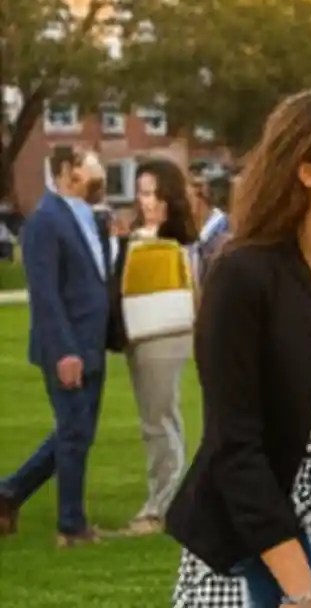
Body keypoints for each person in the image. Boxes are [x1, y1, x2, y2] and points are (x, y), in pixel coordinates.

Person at [166, 88, 311, 607]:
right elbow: (235, 447)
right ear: (308, 170)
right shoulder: (243, 276)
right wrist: (303, 591)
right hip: (253, 532)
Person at [0, 146, 110, 547]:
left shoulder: (92, 219)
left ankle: (9, 493)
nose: (100, 170)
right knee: (74, 433)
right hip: (67, 349)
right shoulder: (45, 221)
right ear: (68, 171)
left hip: (93, 346)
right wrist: (65, 351)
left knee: (75, 433)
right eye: (91, 163)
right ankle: (71, 526)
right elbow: (46, 295)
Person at [114, 158, 200, 536]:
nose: (146, 201)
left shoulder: (175, 242)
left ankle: (161, 506)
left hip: (164, 333)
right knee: (157, 419)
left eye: (153, 193)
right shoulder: (137, 236)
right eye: (142, 193)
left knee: (159, 418)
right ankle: (166, 499)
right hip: (139, 332)